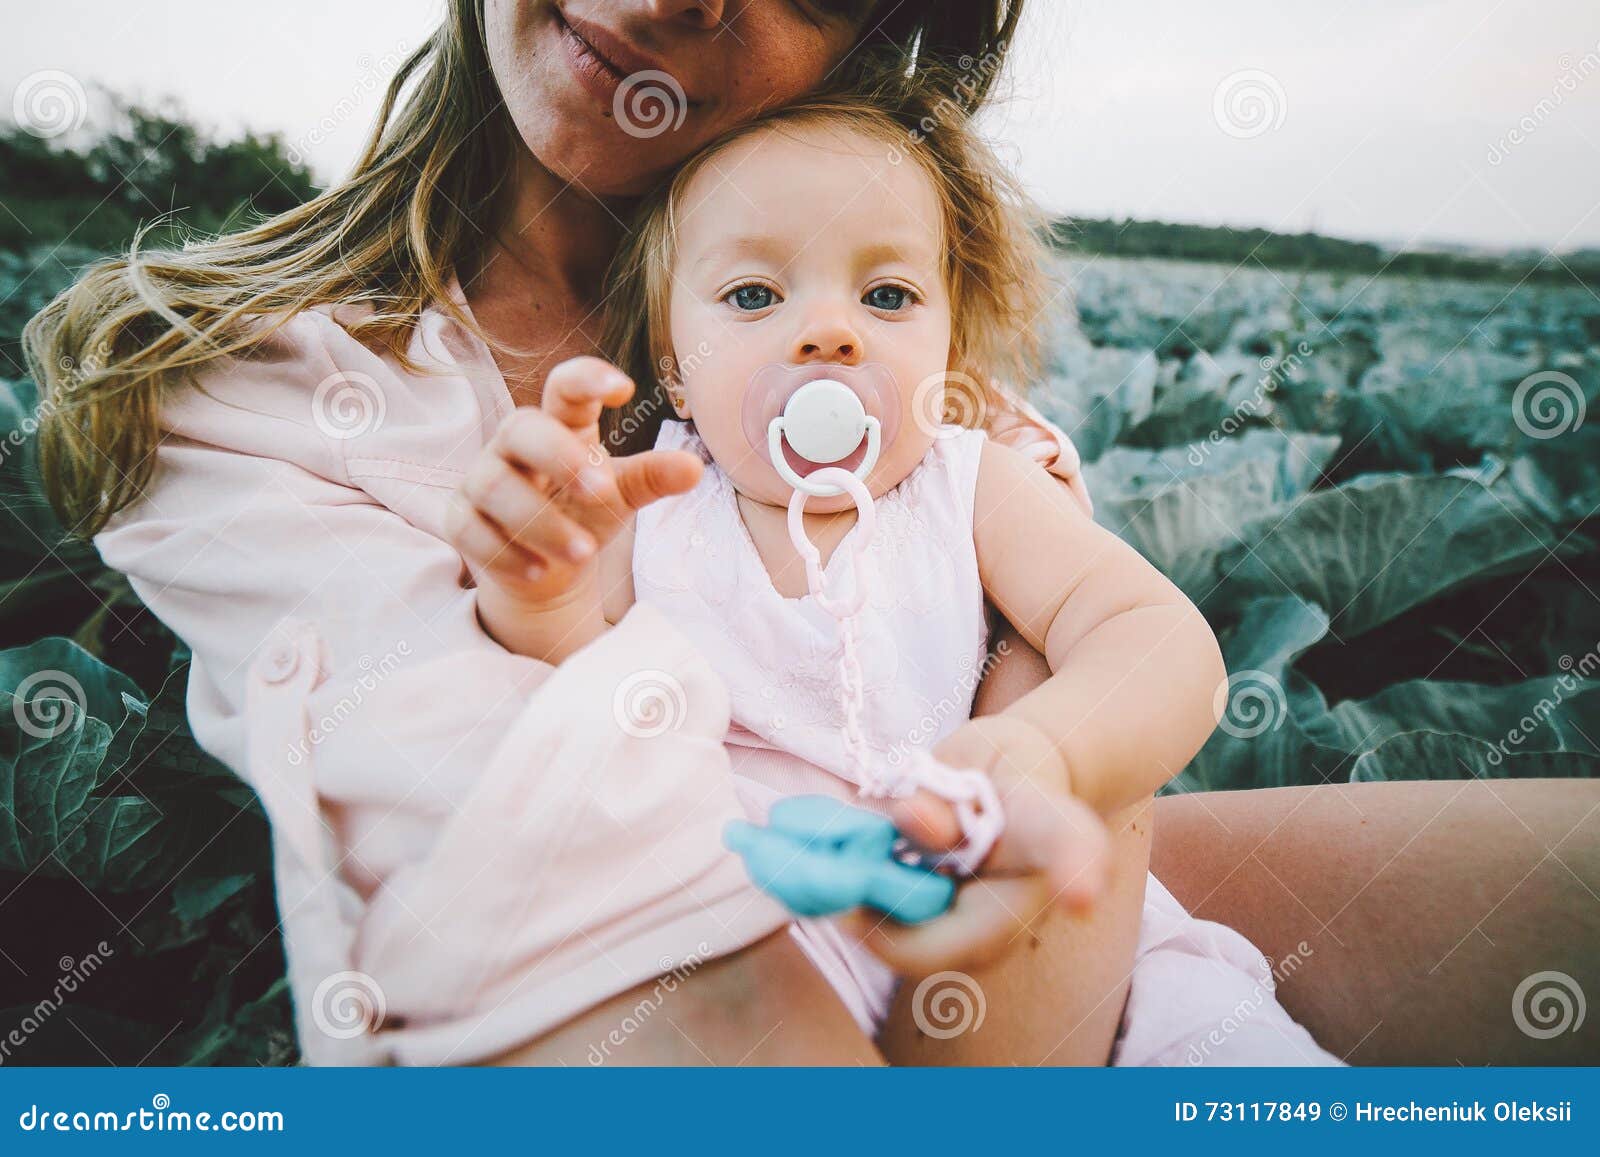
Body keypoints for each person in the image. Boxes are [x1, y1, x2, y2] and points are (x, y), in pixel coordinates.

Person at [24, 0, 1596, 1066]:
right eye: (754, 296)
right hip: (782, 976)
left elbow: (1099, 677)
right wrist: (544, 591)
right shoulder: (242, 389)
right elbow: (630, 912)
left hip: (1003, 879)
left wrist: (1035, 759)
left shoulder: (913, 397)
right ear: (673, 327)